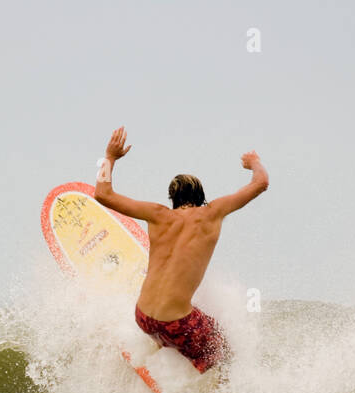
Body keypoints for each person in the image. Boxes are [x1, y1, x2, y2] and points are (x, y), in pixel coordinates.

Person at [93, 126, 268, 373]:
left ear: (171, 199)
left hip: (142, 317)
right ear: (201, 197)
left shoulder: (156, 215)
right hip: (177, 325)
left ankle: (159, 355)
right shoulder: (212, 214)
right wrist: (254, 162)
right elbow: (261, 182)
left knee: (188, 321)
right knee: (224, 355)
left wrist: (110, 156)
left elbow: (102, 193)